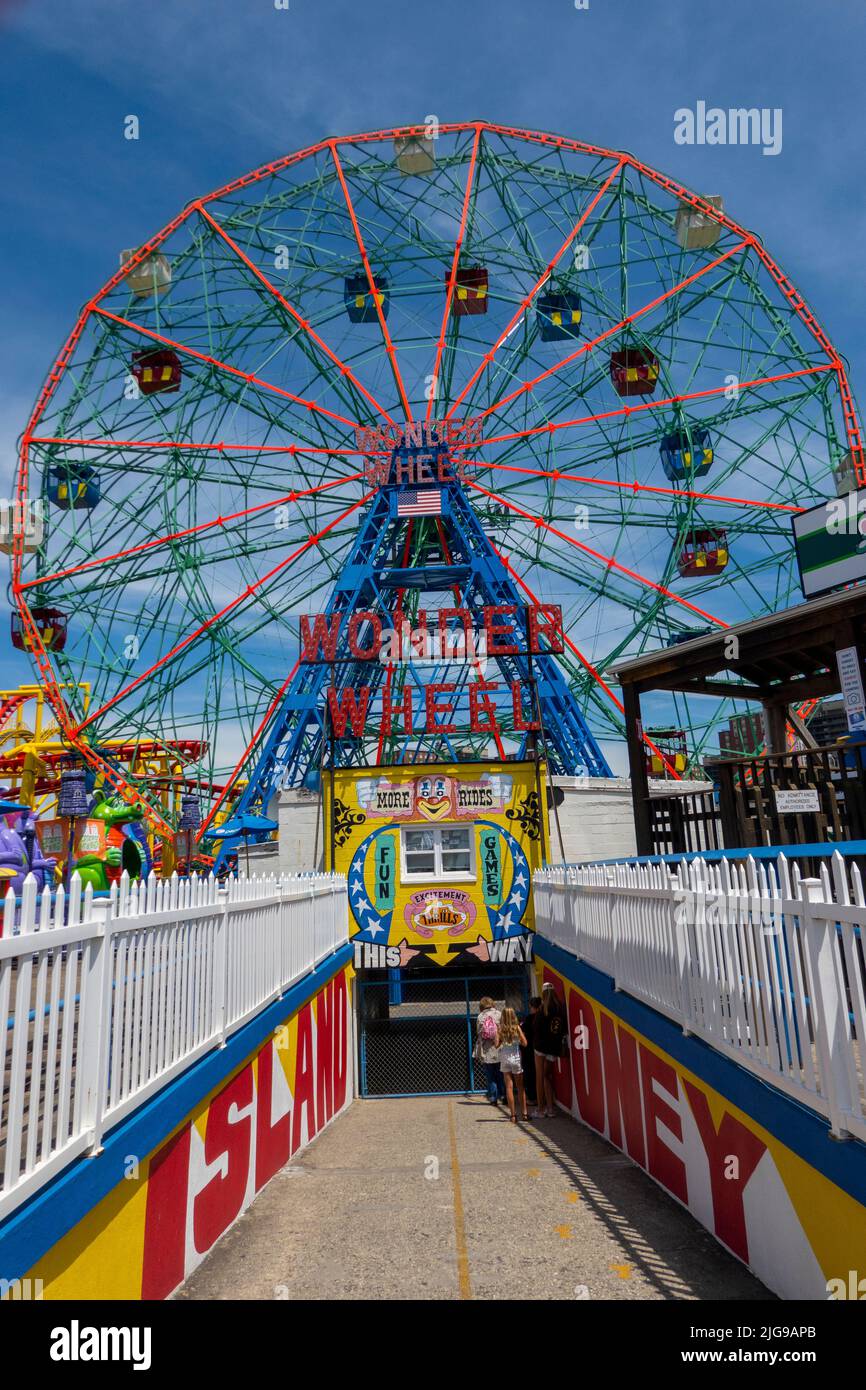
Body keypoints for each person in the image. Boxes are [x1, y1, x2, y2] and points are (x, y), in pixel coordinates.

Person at [534, 982, 567, 1118]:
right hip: (554, 1047)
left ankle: (541, 1110)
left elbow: (536, 1029)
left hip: (541, 1047)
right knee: (548, 1076)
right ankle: (550, 1109)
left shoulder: (542, 1010)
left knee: (540, 1077)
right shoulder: (560, 1008)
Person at [496, 1007, 529, 1123]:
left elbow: (496, 1045)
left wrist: (500, 1038)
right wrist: (517, 1041)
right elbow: (525, 1043)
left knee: (509, 1087)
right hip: (516, 1057)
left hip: (505, 1058)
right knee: (520, 1087)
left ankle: (513, 1116)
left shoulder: (500, 1029)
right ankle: (524, 1113)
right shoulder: (517, 1028)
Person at [475, 996, 504, 1103]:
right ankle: (504, 1095)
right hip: (499, 1048)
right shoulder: (499, 1014)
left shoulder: (480, 1017)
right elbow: (503, 1030)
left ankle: (493, 1097)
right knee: (501, 1074)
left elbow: (479, 1033)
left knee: (490, 1076)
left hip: (486, 1050)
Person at [521, 996, 541, 1116]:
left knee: (530, 1074)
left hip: (529, 1050)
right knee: (540, 1075)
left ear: (533, 1007)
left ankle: (532, 1098)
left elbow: (523, 1033)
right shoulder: (543, 1017)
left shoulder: (529, 1019)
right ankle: (540, 1098)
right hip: (541, 1048)